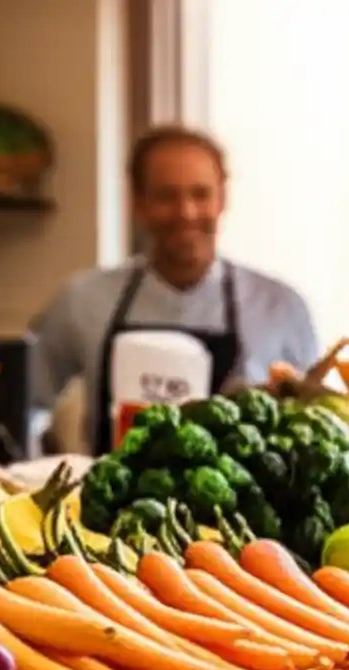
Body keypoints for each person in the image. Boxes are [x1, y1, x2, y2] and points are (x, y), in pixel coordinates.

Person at [30, 125, 318, 455]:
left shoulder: (281, 307)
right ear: (138, 202)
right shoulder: (84, 299)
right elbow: (26, 403)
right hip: (112, 502)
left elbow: (312, 427)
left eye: (200, 194)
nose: (186, 213)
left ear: (222, 198)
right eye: (167, 196)